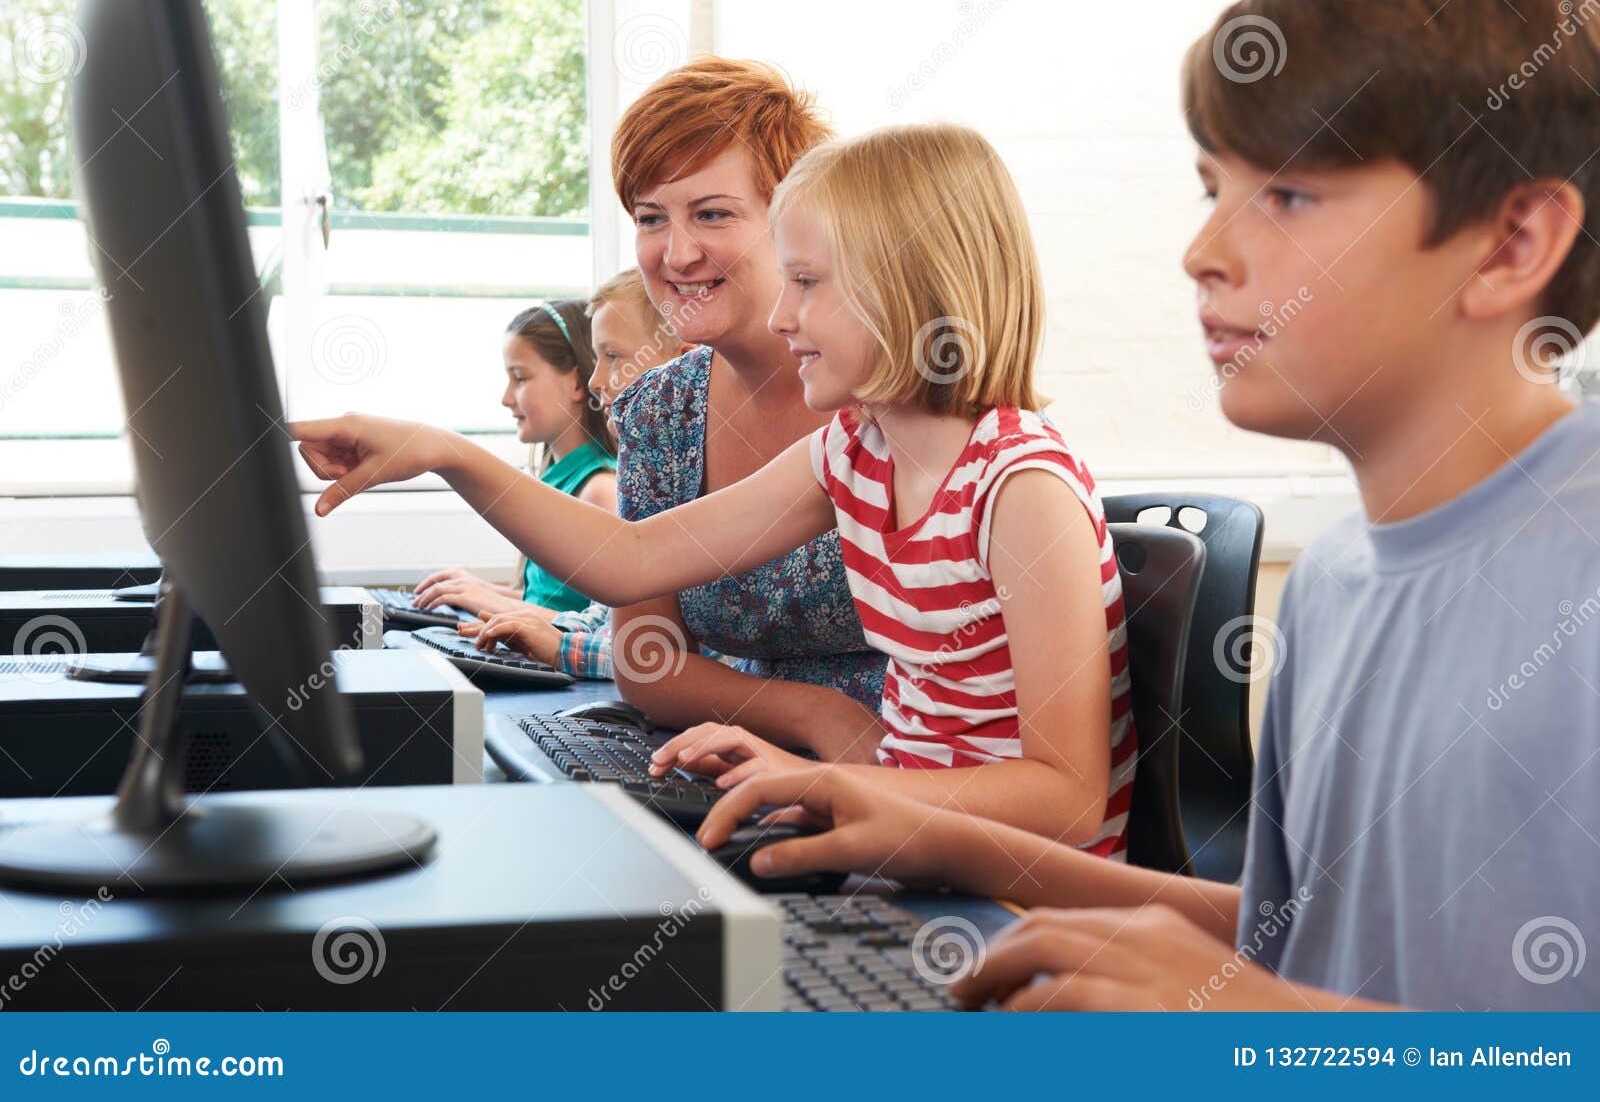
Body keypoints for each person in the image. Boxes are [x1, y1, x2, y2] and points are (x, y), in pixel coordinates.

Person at [701, 0, 1600, 1010]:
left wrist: (1239, 1009)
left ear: (1511, 243)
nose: (1202, 251)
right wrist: (936, 830)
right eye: (1214, 189)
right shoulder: (1334, 581)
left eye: (1291, 194)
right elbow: (1301, 930)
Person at [292, 123, 1133, 846]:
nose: (780, 315)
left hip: (1018, 900)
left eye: (806, 282)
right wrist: (446, 452)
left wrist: (840, 787)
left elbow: (1065, 802)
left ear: (911, 291)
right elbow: (627, 559)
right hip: (906, 838)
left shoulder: (1022, 490)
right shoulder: (854, 452)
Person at [601, 56, 886, 759]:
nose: (676, 252)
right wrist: (810, 713)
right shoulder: (660, 411)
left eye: (712, 214)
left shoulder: (893, 393)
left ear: (795, 221)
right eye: (650, 218)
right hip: (744, 756)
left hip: (908, 772)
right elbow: (645, 657)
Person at [460, 269, 691, 678]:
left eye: (615, 357)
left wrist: (552, 640)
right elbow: (601, 619)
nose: (597, 379)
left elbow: (673, 652)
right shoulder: (649, 486)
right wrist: (529, 627)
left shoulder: (602, 488)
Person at [411, 299, 616, 618]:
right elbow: (551, 603)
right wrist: (483, 592)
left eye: (520, 377)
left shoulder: (600, 489)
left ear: (577, 382)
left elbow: (600, 631)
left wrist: (501, 605)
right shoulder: (557, 479)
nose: (506, 398)